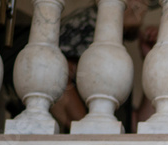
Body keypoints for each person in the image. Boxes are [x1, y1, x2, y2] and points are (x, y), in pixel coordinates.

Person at [51, 0, 157, 131]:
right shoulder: (87, 23)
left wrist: (152, 59)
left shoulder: (112, 37)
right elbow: (55, 78)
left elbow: (135, 125)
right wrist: (93, 132)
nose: (144, 7)